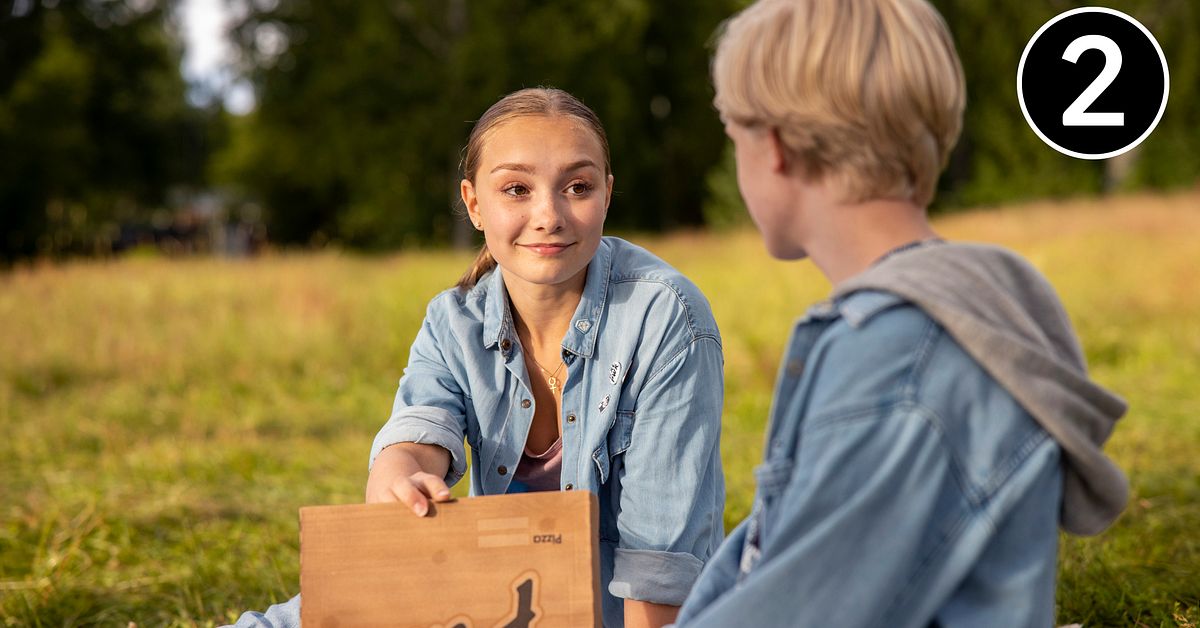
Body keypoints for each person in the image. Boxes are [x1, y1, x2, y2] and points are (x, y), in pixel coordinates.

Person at [672, 0, 1128, 626]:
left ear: (773, 146)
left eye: (734, 138)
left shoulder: (899, 355)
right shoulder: (933, 320)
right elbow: (772, 549)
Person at [232, 87, 725, 628]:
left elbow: (660, 569)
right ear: (473, 203)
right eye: (516, 189)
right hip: (492, 591)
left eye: (577, 187)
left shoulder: (666, 316)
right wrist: (401, 479)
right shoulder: (454, 321)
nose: (549, 215)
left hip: (616, 612)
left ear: (606, 195)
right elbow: (418, 434)